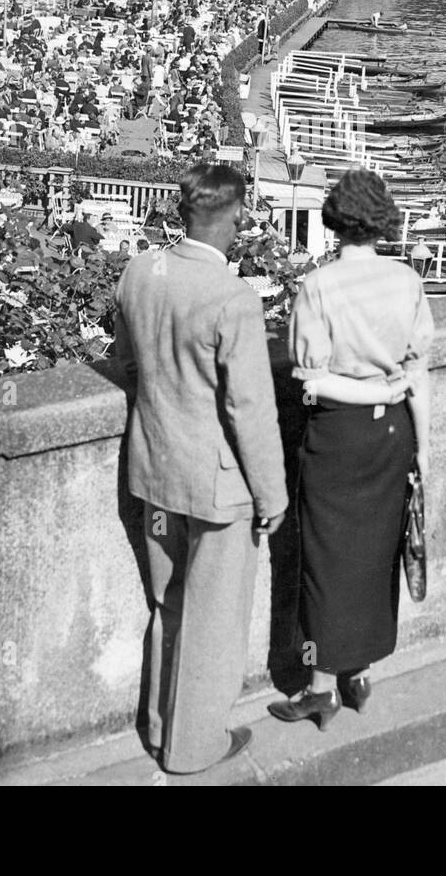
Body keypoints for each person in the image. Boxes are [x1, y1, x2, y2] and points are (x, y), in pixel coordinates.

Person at [114, 163, 288, 774]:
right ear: (236, 221)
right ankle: (193, 747)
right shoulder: (232, 299)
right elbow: (250, 410)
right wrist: (272, 496)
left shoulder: (140, 271)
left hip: (154, 470)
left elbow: (128, 360)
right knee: (214, 621)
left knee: (169, 603)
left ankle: (161, 726)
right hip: (215, 488)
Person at [268, 168, 434, 730]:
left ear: (335, 220)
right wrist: (424, 448)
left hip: (338, 434)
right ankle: (358, 674)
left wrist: (366, 388)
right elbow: (418, 373)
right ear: (382, 221)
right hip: (393, 435)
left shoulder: (319, 286)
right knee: (373, 555)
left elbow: (309, 379)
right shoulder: (407, 281)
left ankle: (319, 689)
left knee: (324, 559)